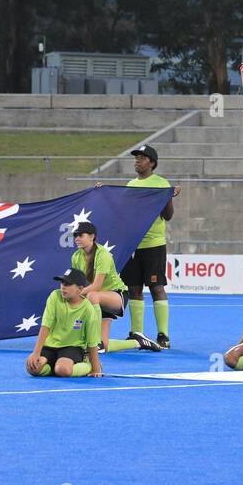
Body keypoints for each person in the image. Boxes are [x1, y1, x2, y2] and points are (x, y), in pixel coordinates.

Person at [120, 144, 177, 349]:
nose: (137, 161)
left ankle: (163, 335)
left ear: (152, 163)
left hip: (153, 244)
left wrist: (167, 196)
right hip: (132, 245)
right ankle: (137, 333)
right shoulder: (130, 185)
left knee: (156, 287)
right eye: (136, 158)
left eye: (142, 158)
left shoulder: (161, 184)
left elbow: (168, 216)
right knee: (133, 288)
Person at [71, 220, 142, 353]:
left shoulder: (103, 255)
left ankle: (95, 342)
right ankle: (137, 342)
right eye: (75, 235)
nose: (77, 238)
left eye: (81, 235)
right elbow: (78, 283)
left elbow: (96, 286)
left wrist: (75, 294)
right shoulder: (76, 257)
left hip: (116, 295)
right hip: (98, 300)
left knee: (91, 295)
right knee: (106, 346)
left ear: (92, 237)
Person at [25, 268, 102, 378]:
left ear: (80, 289)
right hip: (50, 346)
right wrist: (36, 352)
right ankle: (53, 368)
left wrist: (95, 368)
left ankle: (86, 365)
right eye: (62, 282)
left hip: (72, 347)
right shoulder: (54, 296)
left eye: (68, 284)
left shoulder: (88, 309)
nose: (63, 286)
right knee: (31, 368)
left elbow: (92, 341)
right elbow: (45, 326)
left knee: (63, 370)